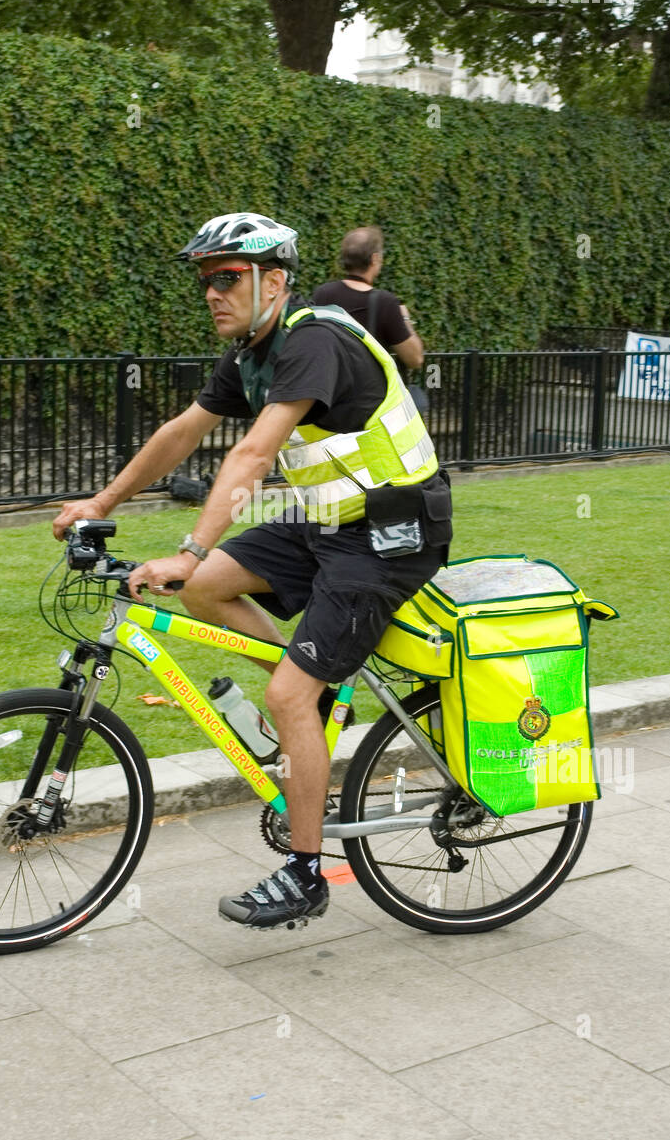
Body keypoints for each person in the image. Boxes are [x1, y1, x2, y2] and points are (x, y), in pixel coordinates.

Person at [53, 212, 452, 931]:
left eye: (227, 277)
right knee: (202, 592)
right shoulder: (249, 355)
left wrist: (191, 547)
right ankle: (308, 712)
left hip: (393, 534)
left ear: (274, 280)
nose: (212, 293)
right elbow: (182, 433)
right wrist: (99, 501)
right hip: (328, 522)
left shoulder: (314, 340)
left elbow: (252, 457)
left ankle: (305, 873)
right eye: (206, 280)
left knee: (284, 689)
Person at [311, 225, 424, 375]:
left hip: (328, 392)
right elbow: (415, 359)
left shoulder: (322, 294)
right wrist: (404, 318)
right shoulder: (385, 303)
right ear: (375, 258)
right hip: (369, 396)